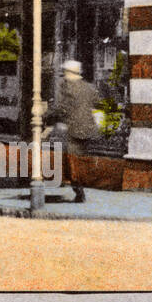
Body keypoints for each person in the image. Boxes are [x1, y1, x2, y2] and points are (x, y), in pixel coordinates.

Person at [52, 59, 100, 203]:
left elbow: (61, 107)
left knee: (71, 161)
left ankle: (79, 191)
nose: (64, 75)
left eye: (65, 72)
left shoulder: (68, 88)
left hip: (73, 129)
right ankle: (80, 188)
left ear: (70, 73)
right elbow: (98, 103)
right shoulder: (89, 87)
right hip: (88, 129)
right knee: (81, 160)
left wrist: (43, 113)